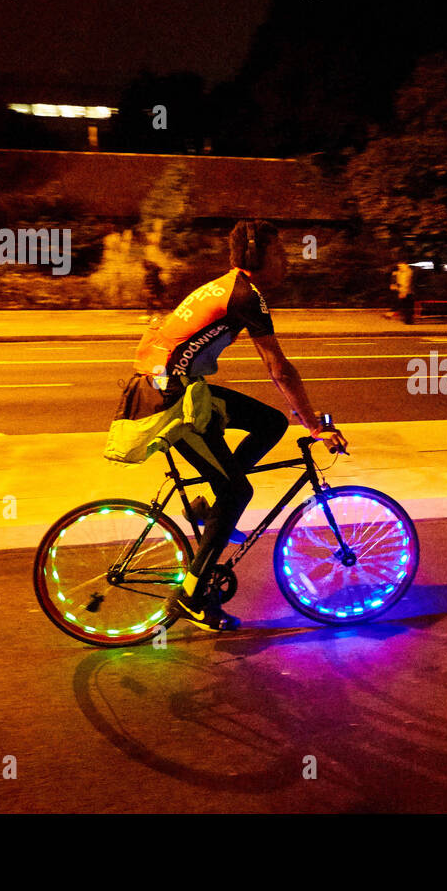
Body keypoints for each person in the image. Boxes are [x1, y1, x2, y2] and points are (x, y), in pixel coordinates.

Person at [105, 219, 348, 632]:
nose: (287, 259)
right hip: (168, 401)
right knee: (239, 489)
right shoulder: (245, 295)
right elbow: (279, 369)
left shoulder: (231, 285)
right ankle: (191, 597)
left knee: (270, 423)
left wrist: (299, 420)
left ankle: (218, 510)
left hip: (186, 389)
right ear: (257, 258)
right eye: (280, 252)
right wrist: (314, 426)